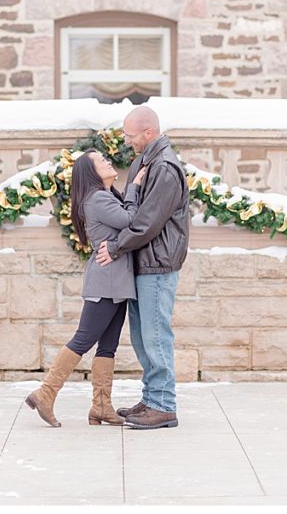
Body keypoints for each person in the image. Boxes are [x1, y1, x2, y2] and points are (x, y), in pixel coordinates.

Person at [25, 151, 145, 427]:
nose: (108, 162)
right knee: (84, 339)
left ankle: (101, 406)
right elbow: (130, 220)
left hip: (117, 282)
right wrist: (134, 188)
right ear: (91, 173)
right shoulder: (98, 198)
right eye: (101, 162)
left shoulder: (106, 196)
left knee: (108, 345)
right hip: (105, 282)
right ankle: (46, 393)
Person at [94, 105, 190, 430]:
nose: (127, 141)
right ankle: (151, 398)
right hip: (142, 262)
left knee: (155, 335)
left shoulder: (164, 167)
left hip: (158, 264)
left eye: (131, 135)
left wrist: (117, 246)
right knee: (140, 336)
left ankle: (163, 405)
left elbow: (147, 223)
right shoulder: (144, 161)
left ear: (149, 133)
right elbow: (130, 209)